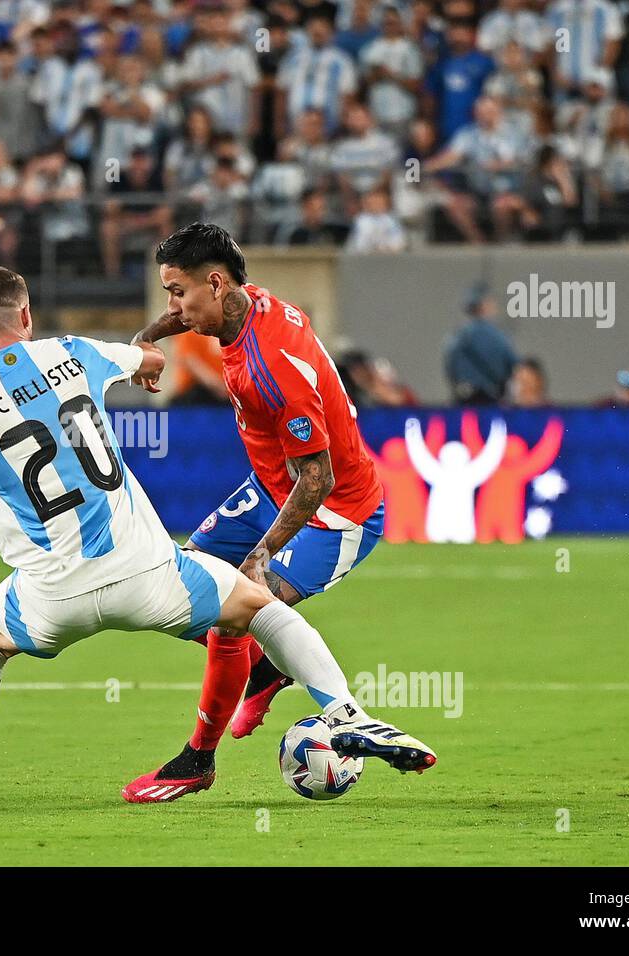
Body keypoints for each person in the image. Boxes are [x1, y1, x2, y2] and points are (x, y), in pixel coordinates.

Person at [0, 265, 435, 811]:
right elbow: (152, 361)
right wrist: (141, 358)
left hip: (50, 597)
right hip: (145, 575)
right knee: (260, 607)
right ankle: (345, 713)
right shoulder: (73, 352)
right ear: (26, 314)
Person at [123, 223, 431, 802]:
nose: (174, 307)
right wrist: (147, 340)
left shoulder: (273, 367)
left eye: (178, 292)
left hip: (335, 512)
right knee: (176, 589)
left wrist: (261, 554)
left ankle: (198, 759)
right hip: (269, 488)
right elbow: (184, 317)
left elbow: (319, 479)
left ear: (216, 284)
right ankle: (267, 667)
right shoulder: (243, 305)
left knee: (234, 609)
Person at [444, 281, 519, 404]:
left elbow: (450, 370)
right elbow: (515, 366)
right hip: (491, 402)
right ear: (485, 305)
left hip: (463, 402)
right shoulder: (499, 337)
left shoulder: (457, 337)